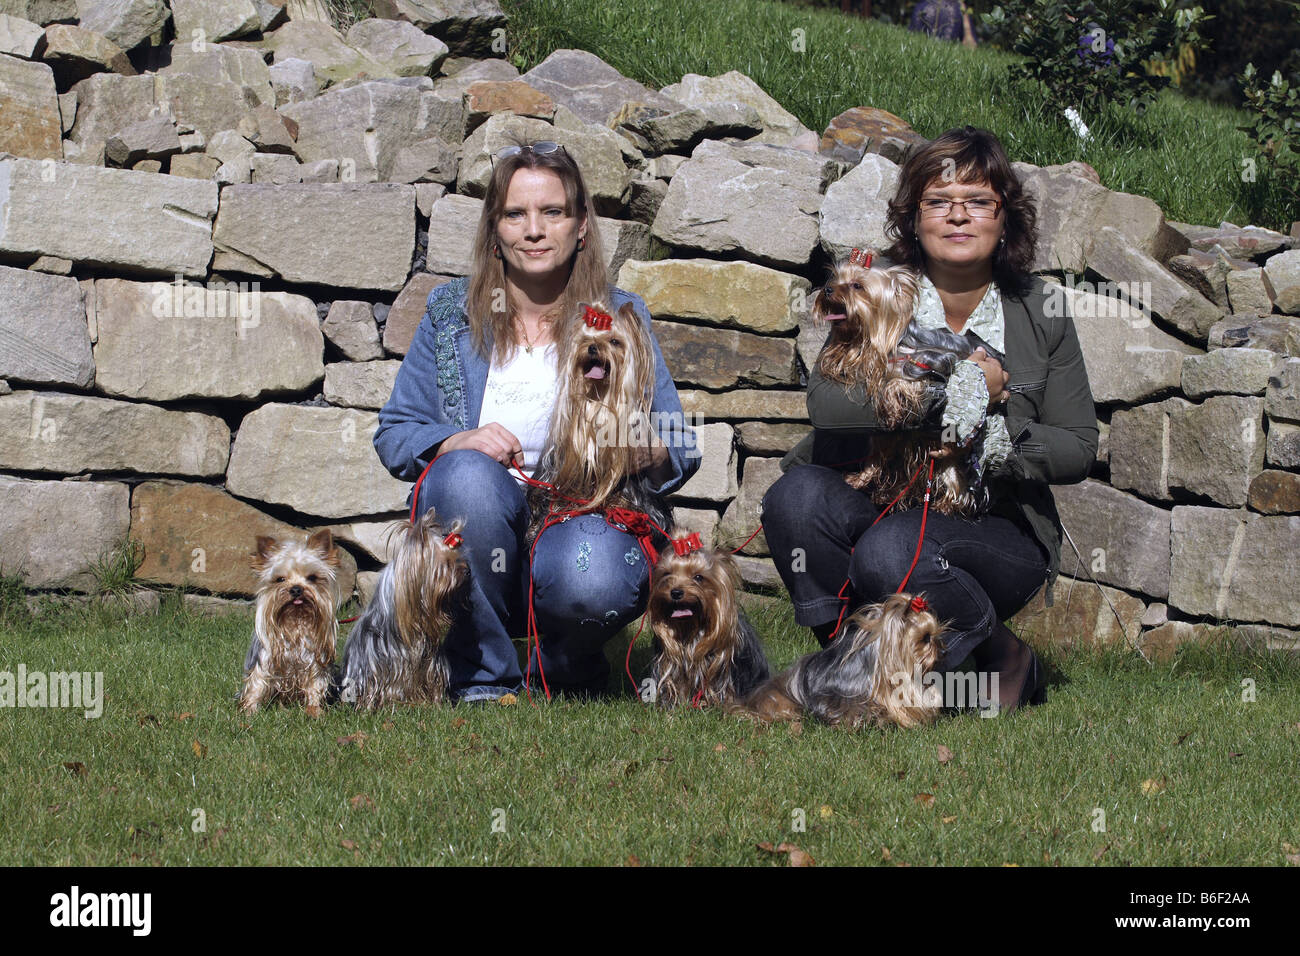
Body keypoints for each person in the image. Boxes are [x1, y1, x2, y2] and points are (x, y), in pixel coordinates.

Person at [761, 126, 1096, 713]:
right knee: (796, 500)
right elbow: (830, 407)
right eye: (939, 202)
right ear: (913, 219)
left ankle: (999, 655)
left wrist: (991, 425)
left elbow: (1076, 447)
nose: (958, 217)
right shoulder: (876, 288)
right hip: (881, 488)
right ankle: (858, 674)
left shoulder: (1040, 308)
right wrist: (956, 392)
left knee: (890, 553)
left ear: (1005, 218)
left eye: (979, 202)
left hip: (993, 522)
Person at [374, 141, 699, 703]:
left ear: (581, 228)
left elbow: (680, 445)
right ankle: (484, 677)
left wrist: (638, 448)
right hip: (478, 532)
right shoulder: (452, 313)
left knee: (593, 575)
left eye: (552, 212)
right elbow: (396, 433)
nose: (534, 230)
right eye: (515, 214)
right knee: (466, 477)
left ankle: (562, 671)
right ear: (494, 230)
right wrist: (459, 440)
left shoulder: (621, 317)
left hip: (581, 523)